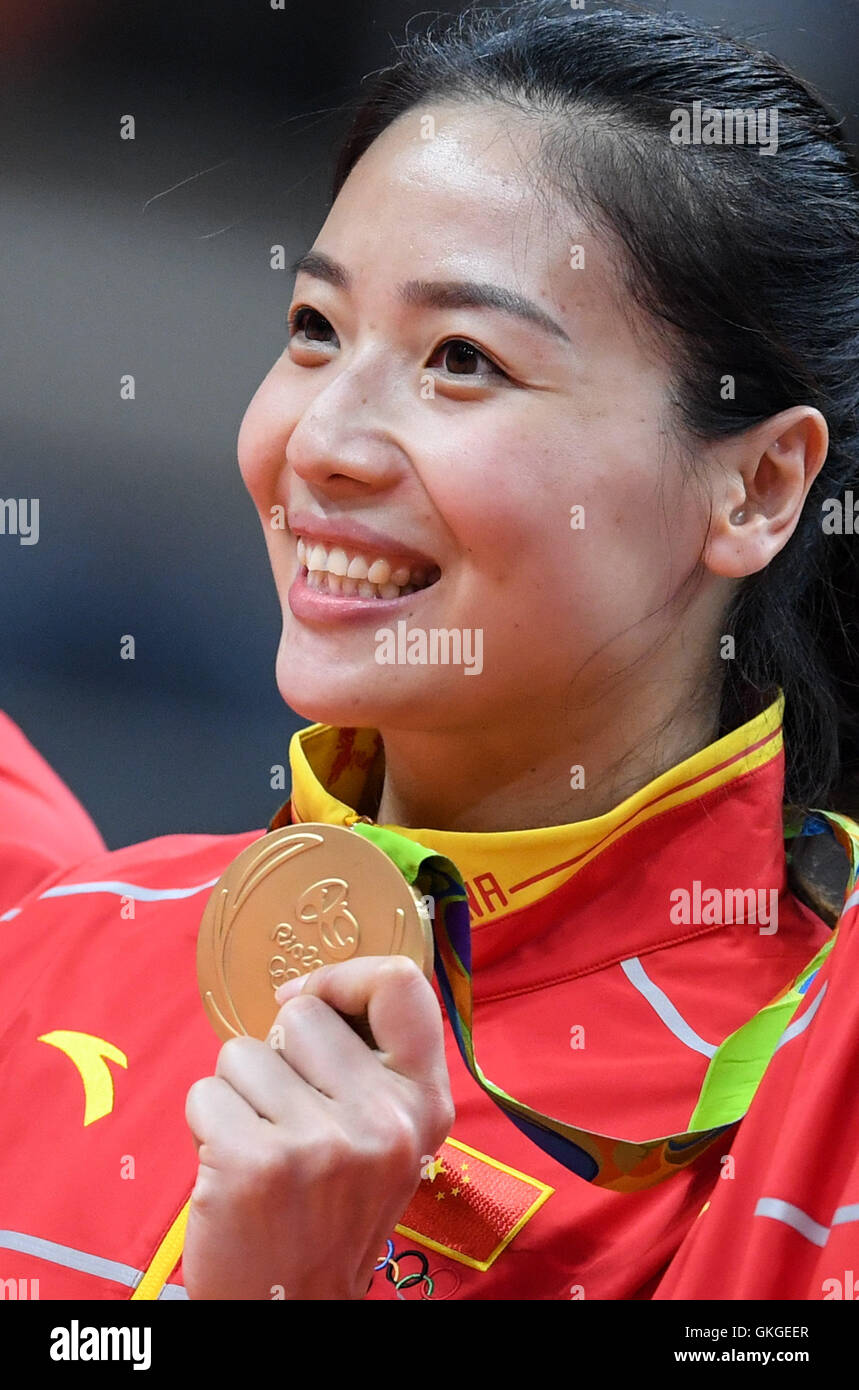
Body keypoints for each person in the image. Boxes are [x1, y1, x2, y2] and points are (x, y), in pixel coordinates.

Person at [2, 1, 858, 1301]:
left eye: (463, 359)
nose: (325, 440)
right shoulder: (53, 938)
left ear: (754, 488)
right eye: (314, 331)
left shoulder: (814, 1095)